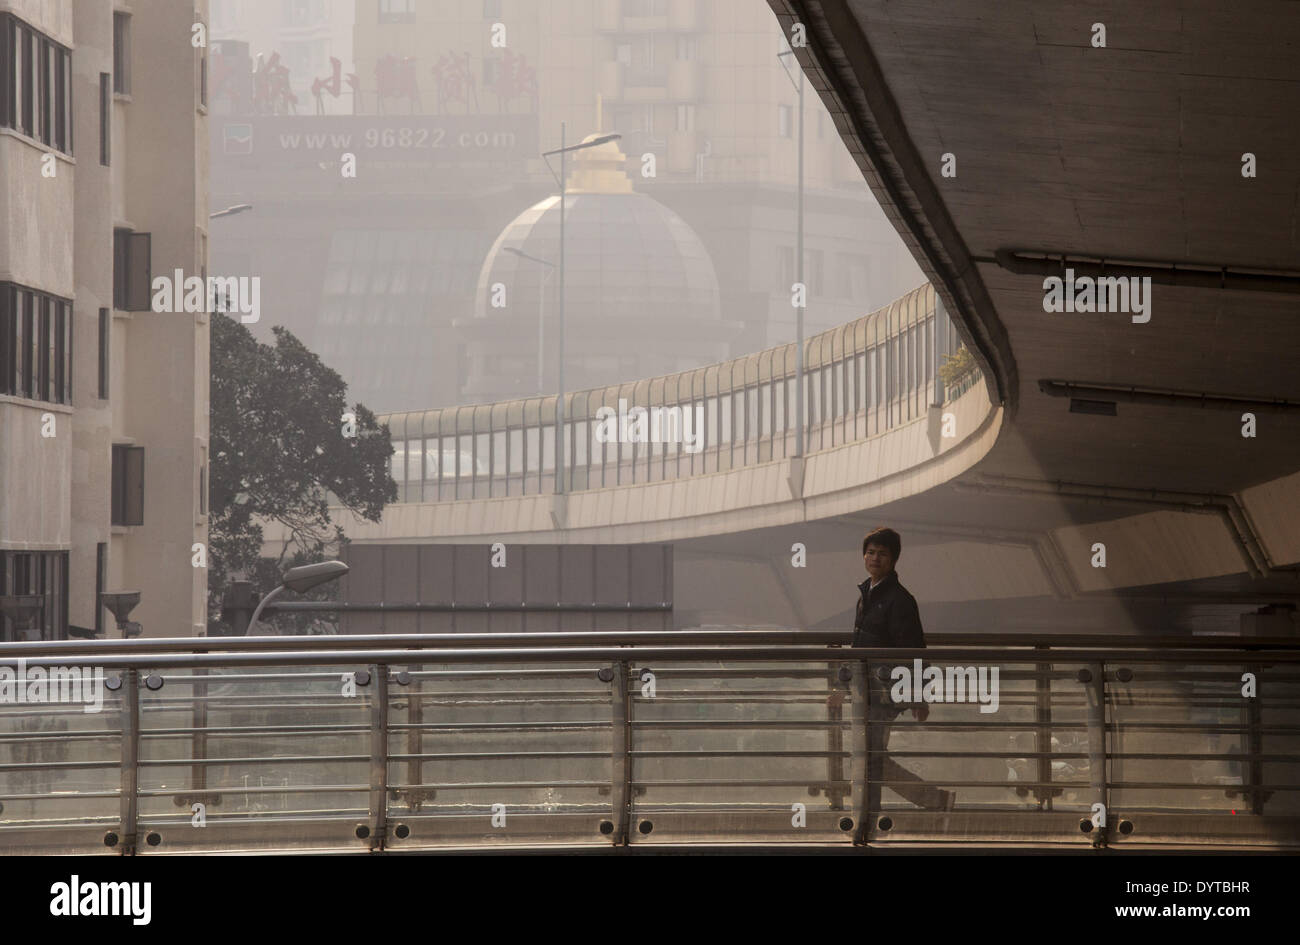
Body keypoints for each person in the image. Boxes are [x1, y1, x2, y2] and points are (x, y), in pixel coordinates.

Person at [852, 527, 954, 813]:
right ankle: (931, 802)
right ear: (863, 556)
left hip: (885, 693)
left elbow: (914, 650)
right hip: (868, 691)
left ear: (894, 559)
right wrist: (843, 686)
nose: (875, 558)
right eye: (871, 552)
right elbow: (858, 645)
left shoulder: (899, 600)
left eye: (882, 553)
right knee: (870, 757)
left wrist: (918, 697)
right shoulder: (867, 595)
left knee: (869, 757)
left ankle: (870, 816)